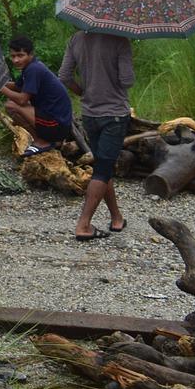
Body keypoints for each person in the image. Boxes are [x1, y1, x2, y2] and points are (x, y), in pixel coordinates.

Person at [58, 30, 133, 241]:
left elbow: (64, 76)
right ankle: (83, 225)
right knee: (102, 169)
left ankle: (116, 218)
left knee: (103, 165)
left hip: (90, 114)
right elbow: (127, 80)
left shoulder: (76, 39)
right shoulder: (120, 40)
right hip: (114, 114)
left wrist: (83, 91)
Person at [0, 35, 73, 153]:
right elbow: (17, 86)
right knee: (12, 104)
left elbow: (22, 100)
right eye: (13, 56)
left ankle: (43, 141)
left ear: (30, 54)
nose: (16, 60)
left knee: (12, 106)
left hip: (57, 124)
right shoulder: (30, 67)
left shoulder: (34, 69)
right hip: (57, 121)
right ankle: (46, 139)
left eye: (20, 55)